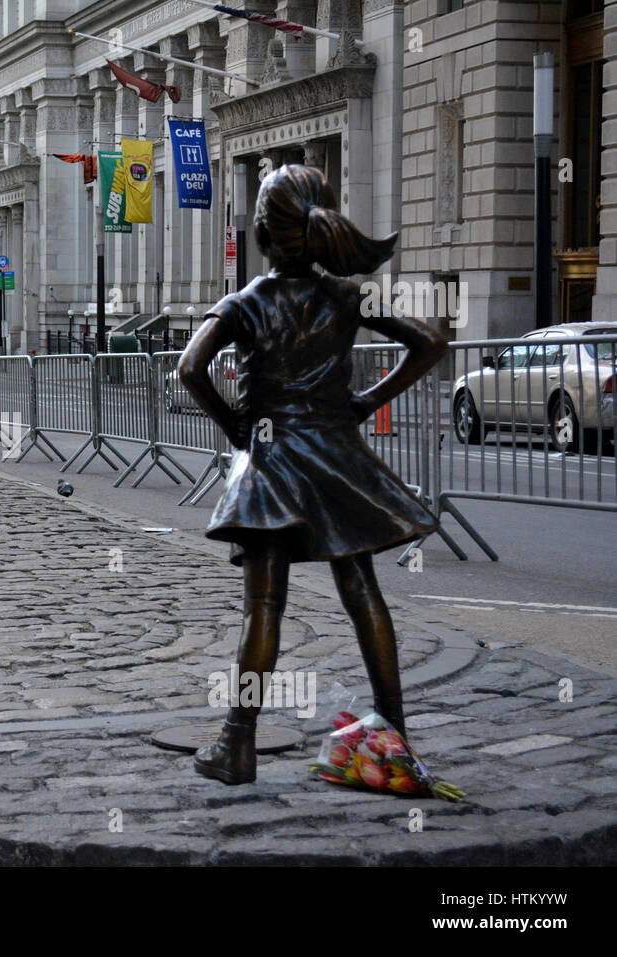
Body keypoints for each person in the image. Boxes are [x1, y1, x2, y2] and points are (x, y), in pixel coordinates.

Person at [178, 164, 447, 785]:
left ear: (264, 239)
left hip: (271, 463)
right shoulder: (349, 297)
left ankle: (237, 743)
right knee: (362, 592)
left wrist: (236, 429)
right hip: (334, 453)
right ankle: (393, 734)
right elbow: (431, 343)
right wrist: (364, 403)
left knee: (263, 608)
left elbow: (191, 369)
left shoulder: (245, 303)